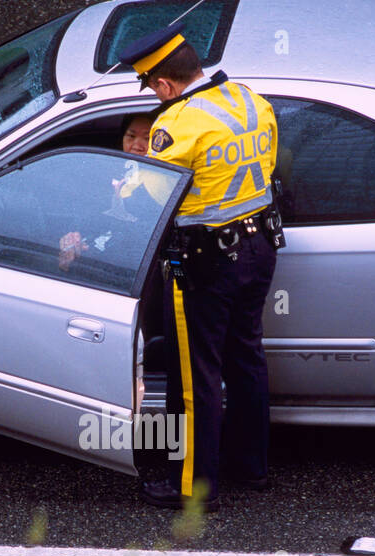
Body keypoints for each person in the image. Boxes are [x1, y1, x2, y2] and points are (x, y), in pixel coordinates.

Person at [118, 27, 284, 512]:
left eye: (150, 87)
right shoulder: (250, 100)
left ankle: (194, 485)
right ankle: (250, 467)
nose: (153, 96)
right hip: (261, 247)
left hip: (206, 262)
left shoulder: (177, 125)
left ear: (165, 85)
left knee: (197, 376)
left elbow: (149, 197)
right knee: (246, 357)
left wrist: (121, 188)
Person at [58, 113, 158, 272]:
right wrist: (75, 236)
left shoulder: (163, 180)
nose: (136, 145)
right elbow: (92, 211)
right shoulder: (110, 170)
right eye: (131, 136)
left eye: (147, 138)